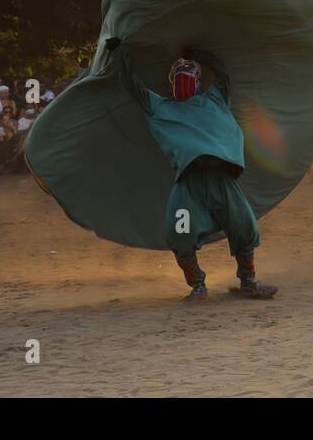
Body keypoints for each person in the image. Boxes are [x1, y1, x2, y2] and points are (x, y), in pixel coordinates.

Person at [108, 39, 277, 301]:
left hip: (221, 179)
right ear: (170, 83)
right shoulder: (160, 107)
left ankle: (248, 281)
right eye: (178, 75)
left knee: (244, 226)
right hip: (189, 183)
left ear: (198, 79)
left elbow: (222, 72)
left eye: (189, 73)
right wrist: (120, 52)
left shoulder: (216, 99)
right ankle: (198, 285)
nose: (184, 78)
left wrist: (197, 53)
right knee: (179, 232)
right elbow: (133, 84)